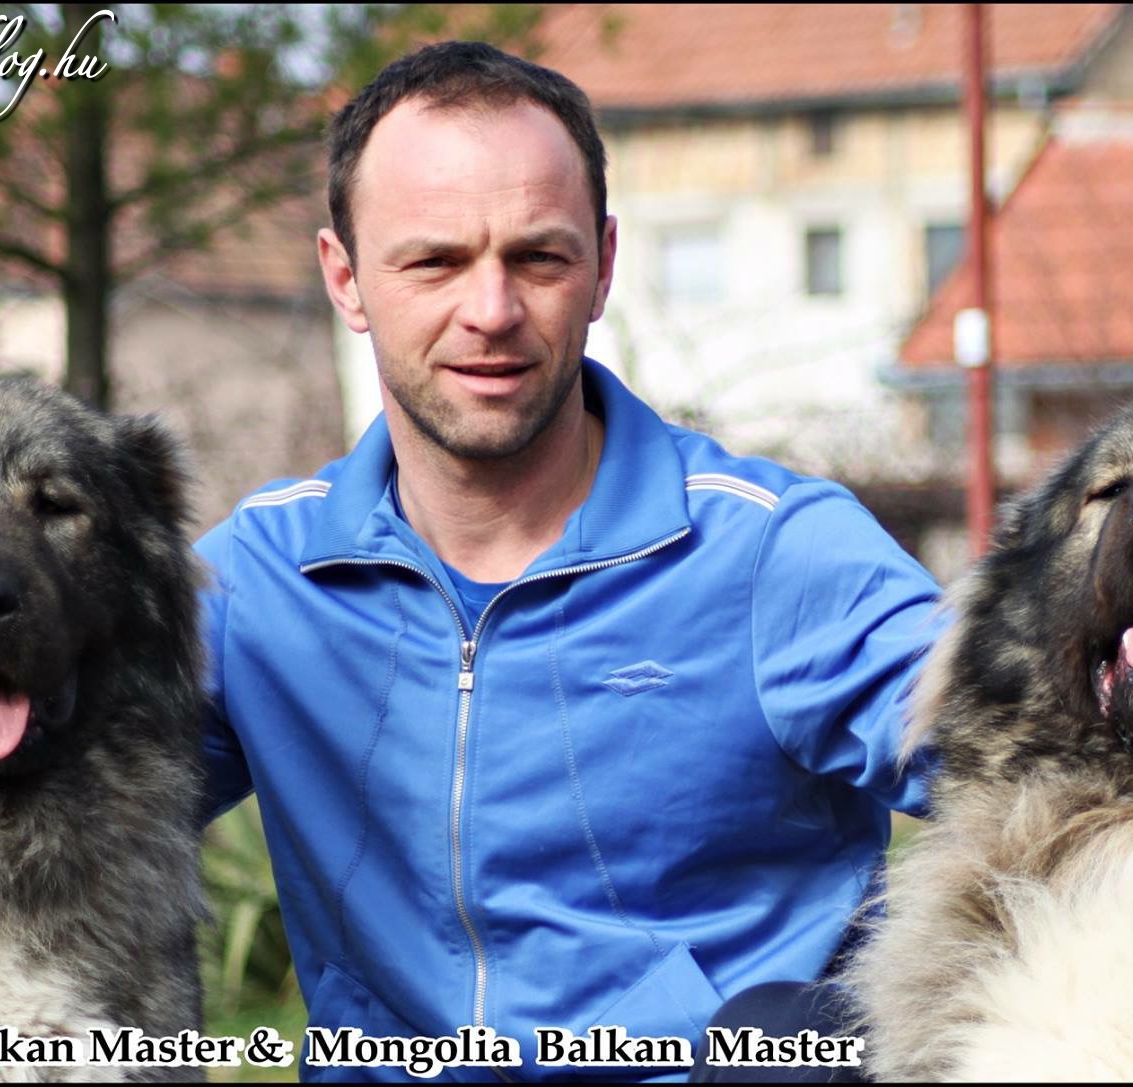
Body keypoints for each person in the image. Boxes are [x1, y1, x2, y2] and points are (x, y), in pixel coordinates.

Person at [194, 42, 941, 1081]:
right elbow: (27, 786)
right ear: (345, 277)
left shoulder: (774, 553)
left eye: (538, 258)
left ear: (602, 264)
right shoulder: (258, 579)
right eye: (434, 262)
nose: (491, 311)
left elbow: (1047, 749)